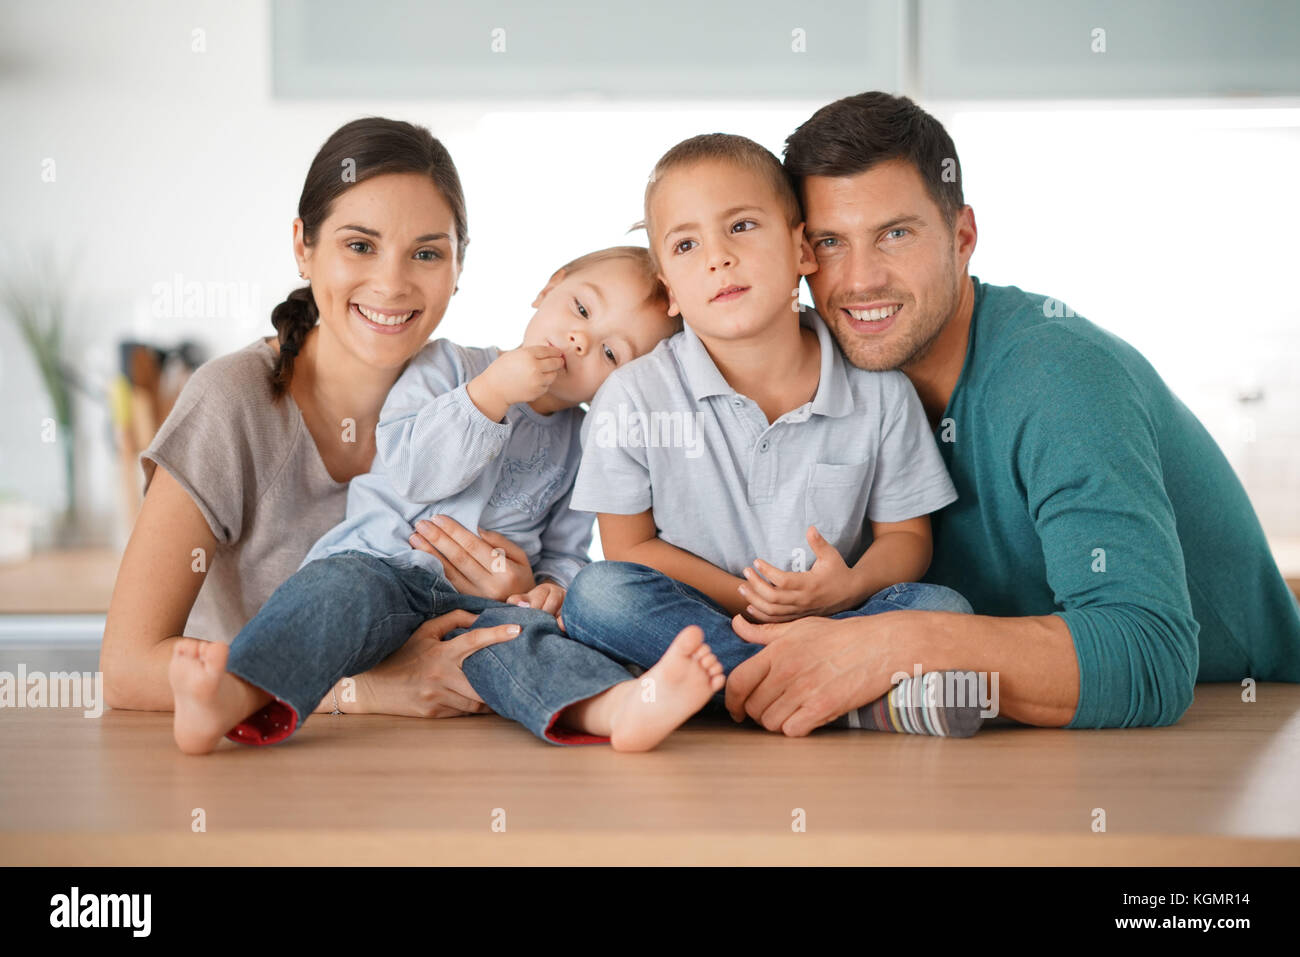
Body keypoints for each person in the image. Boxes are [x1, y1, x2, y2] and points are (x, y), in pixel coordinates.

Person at [723, 91, 1300, 736]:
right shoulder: (818, 368)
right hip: (991, 735)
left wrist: (895, 643)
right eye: (830, 242)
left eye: (895, 234)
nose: (860, 281)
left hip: (1243, 726)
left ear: (962, 237)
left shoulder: (1059, 377)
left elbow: (1149, 656)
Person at [169, 245, 733, 755]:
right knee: (329, 597)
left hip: (481, 606)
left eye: (611, 355)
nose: (581, 342)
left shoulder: (584, 443)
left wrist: (546, 591)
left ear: (622, 389)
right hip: (380, 566)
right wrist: (489, 396)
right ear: (548, 287)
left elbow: (566, 548)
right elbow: (410, 470)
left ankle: (613, 709)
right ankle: (235, 695)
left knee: (520, 641)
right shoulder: (450, 366)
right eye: (581, 311)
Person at [103, 117, 540, 721]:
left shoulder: (493, 401)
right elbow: (127, 669)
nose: (391, 284)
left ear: (459, 266)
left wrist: (511, 596)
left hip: (441, 770)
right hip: (271, 764)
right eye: (360, 245)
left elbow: (451, 655)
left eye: (427, 253)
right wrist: (361, 692)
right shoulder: (232, 402)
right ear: (302, 247)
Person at [560, 133, 987, 738]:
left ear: (802, 249)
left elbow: (907, 537)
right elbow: (628, 550)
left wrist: (847, 588)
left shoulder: (879, 391)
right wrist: (750, 598)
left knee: (945, 609)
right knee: (598, 595)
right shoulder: (633, 397)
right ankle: (832, 694)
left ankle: (742, 690)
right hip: (707, 615)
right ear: (671, 291)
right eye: (687, 244)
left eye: (741, 227)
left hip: (838, 617)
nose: (718, 258)